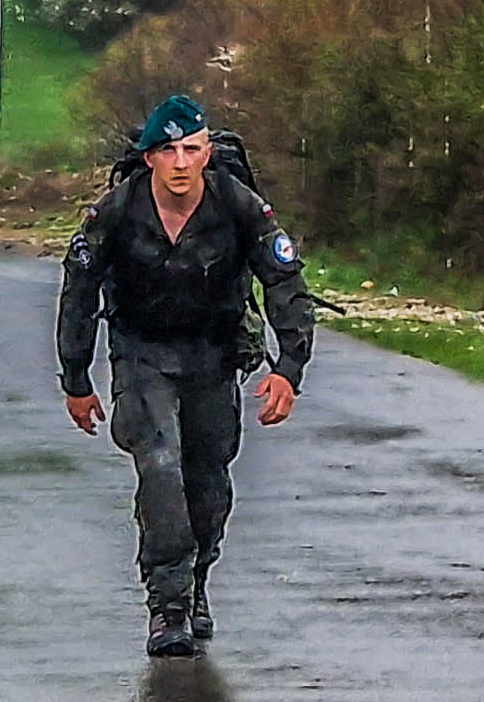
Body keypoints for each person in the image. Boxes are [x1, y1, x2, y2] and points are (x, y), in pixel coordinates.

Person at [56, 92, 313, 659]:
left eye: (190, 149)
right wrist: (76, 376)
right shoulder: (117, 211)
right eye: (166, 150)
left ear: (206, 154)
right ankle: (166, 606)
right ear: (149, 157)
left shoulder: (239, 206)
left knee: (207, 480)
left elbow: (285, 283)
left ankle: (196, 581)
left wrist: (288, 369)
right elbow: (78, 291)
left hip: (213, 356)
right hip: (142, 355)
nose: (179, 162)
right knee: (160, 467)